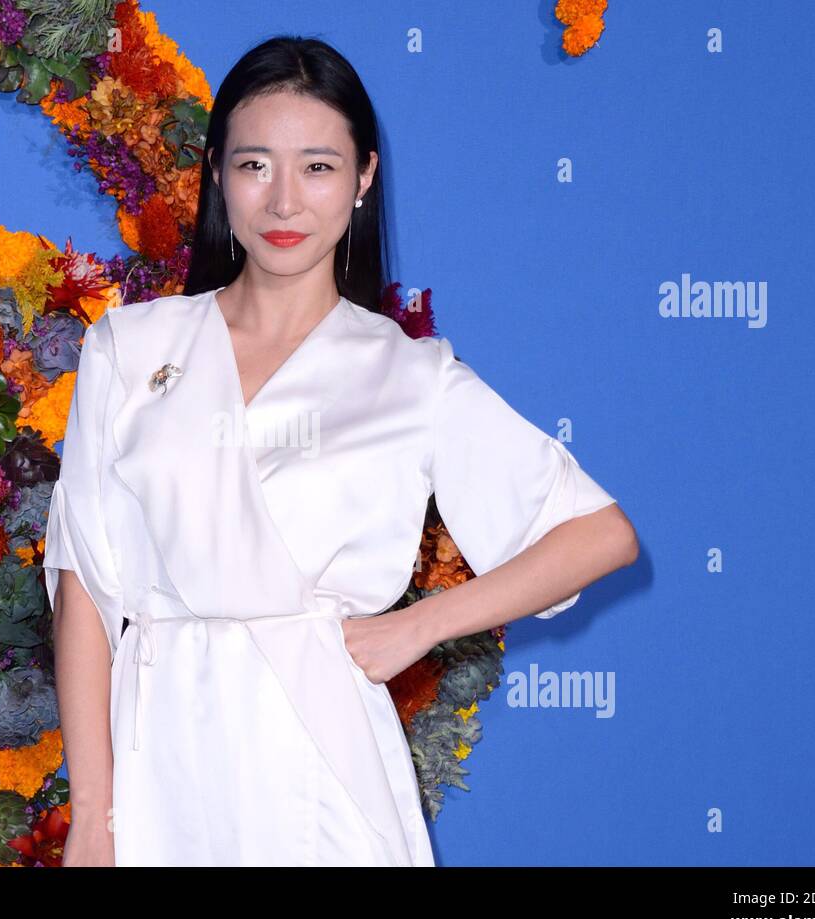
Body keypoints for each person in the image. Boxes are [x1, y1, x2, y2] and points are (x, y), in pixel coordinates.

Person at [43, 35, 639, 867]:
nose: (284, 201)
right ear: (218, 172)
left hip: (322, 760)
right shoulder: (130, 347)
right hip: (159, 757)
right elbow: (86, 590)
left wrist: (421, 627)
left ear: (362, 178)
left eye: (317, 168)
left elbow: (599, 533)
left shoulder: (409, 373)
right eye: (256, 165)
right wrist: (94, 815)